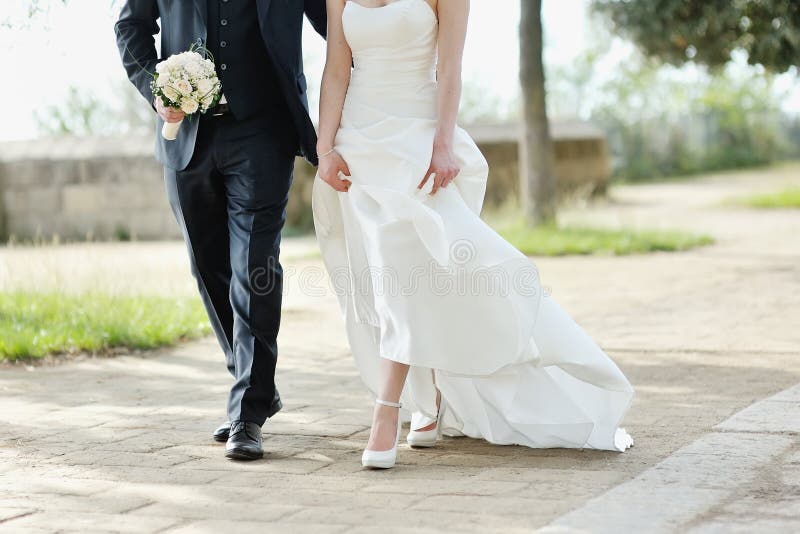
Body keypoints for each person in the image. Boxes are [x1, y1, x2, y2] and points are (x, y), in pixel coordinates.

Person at [312, 0, 635, 469]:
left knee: (402, 268)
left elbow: (450, 68)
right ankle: (429, 397)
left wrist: (443, 145)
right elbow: (336, 69)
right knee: (386, 276)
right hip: (359, 142)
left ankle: (387, 409)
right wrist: (325, 147)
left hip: (417, 138)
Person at [114, 0, 327, 461]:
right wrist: (156, 90)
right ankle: (254, 382)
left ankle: (248, 410)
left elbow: (337, 21)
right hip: (187, 137)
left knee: (253, 267)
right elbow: (130, 25)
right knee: (207, 267)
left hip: (263, 130)